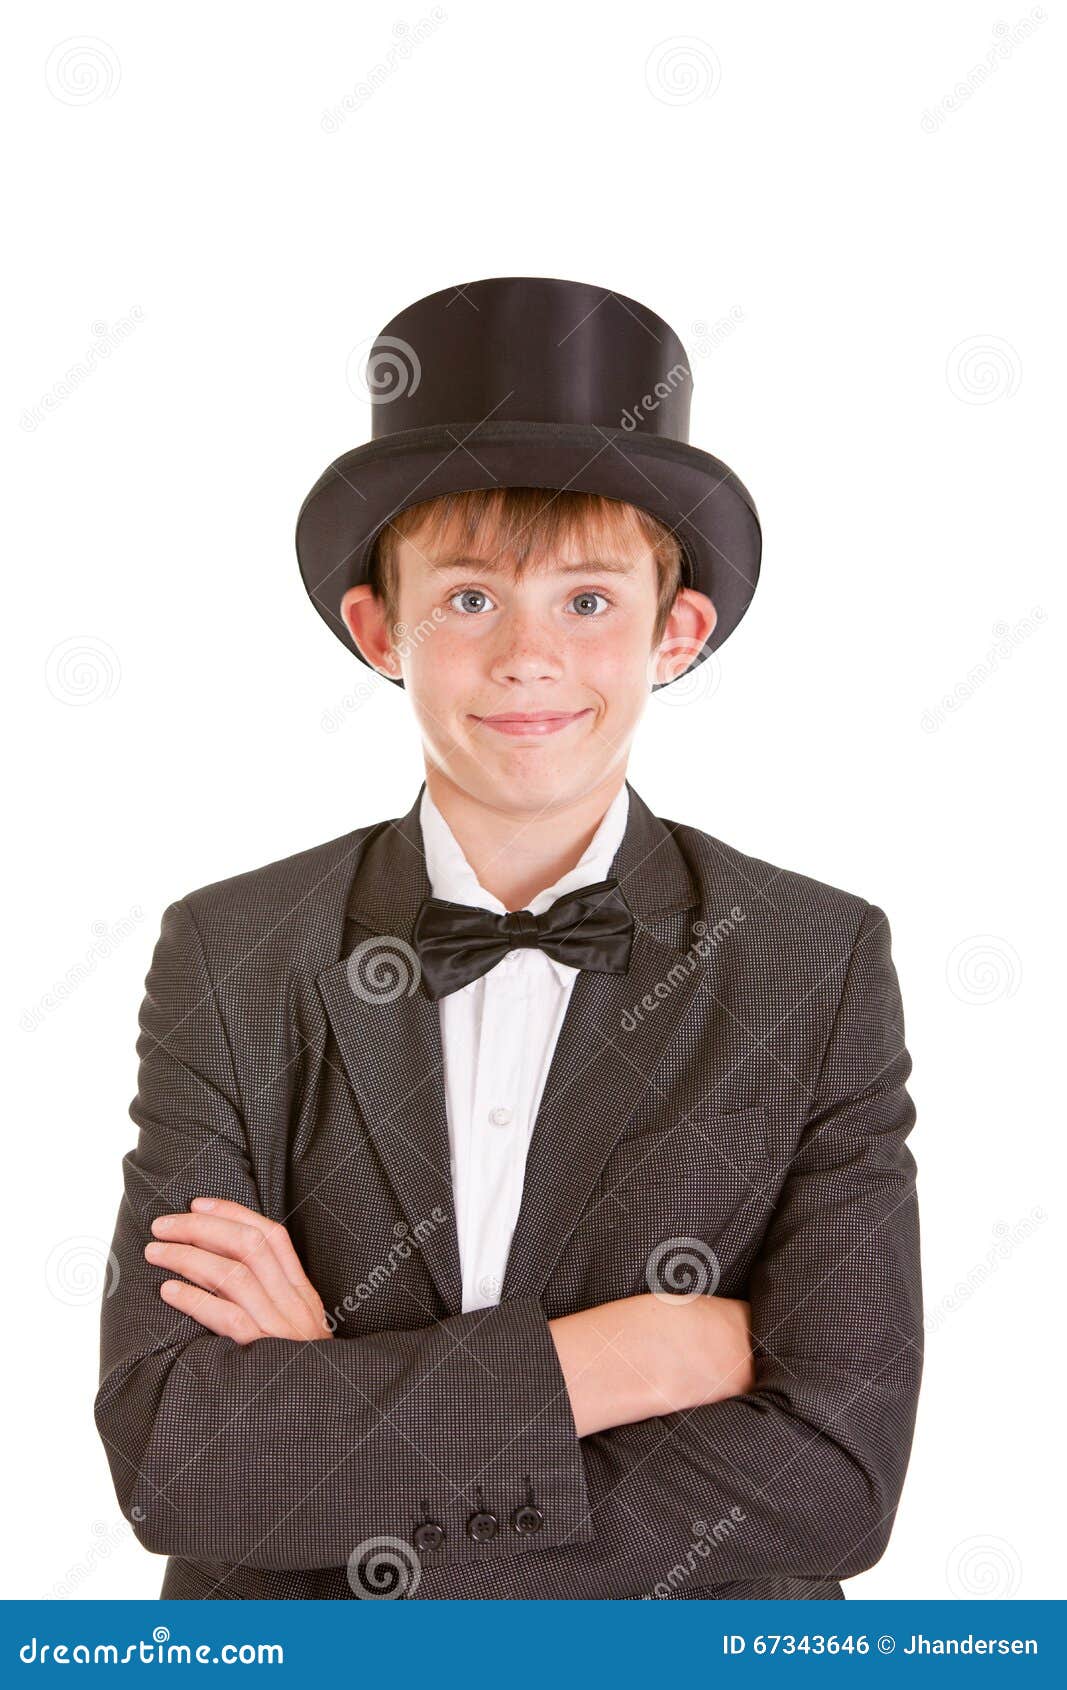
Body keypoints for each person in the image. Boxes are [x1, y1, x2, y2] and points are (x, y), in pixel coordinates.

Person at [94, 276, 923, 1601]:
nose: (530, 656)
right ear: (382, 628)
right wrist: (629, 1358)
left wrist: (330, 1421)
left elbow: (836, 1475)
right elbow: (177, 1459)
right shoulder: (229, 952)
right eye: (472, 599)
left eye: (589, 601)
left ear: (677, 632)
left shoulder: (813, 965)